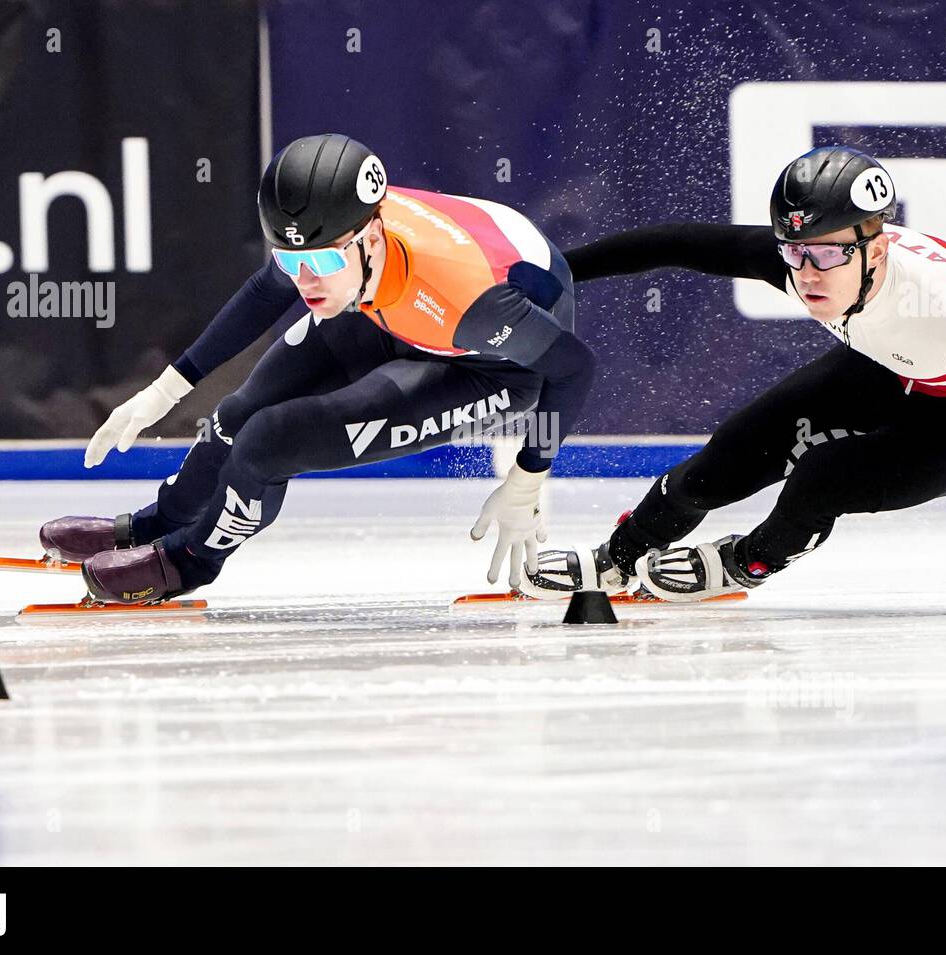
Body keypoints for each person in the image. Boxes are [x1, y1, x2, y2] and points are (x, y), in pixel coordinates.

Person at [522, 145, 946, 605]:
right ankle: (621, 556)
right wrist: (558, 275)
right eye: (794, 250)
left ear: (876, 250)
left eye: (829, 254)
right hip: (886, 368)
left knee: (821, 479)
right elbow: (675, 243)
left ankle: (749, 561)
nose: (807, 273)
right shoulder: (808, 258)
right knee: (725, 459)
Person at [41, 133, 595, 603]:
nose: (306, 279)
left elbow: (572, 368)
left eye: (322, 261)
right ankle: (159, 523)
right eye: (290, 259)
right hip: (391, 308)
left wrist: (527, 476)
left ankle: (190, 560)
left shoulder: (474, 300)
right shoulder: (329, 231)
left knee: (271, 439)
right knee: (238, 412)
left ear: (372, 236)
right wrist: (165, 390)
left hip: (490, 364)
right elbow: (265, 291)